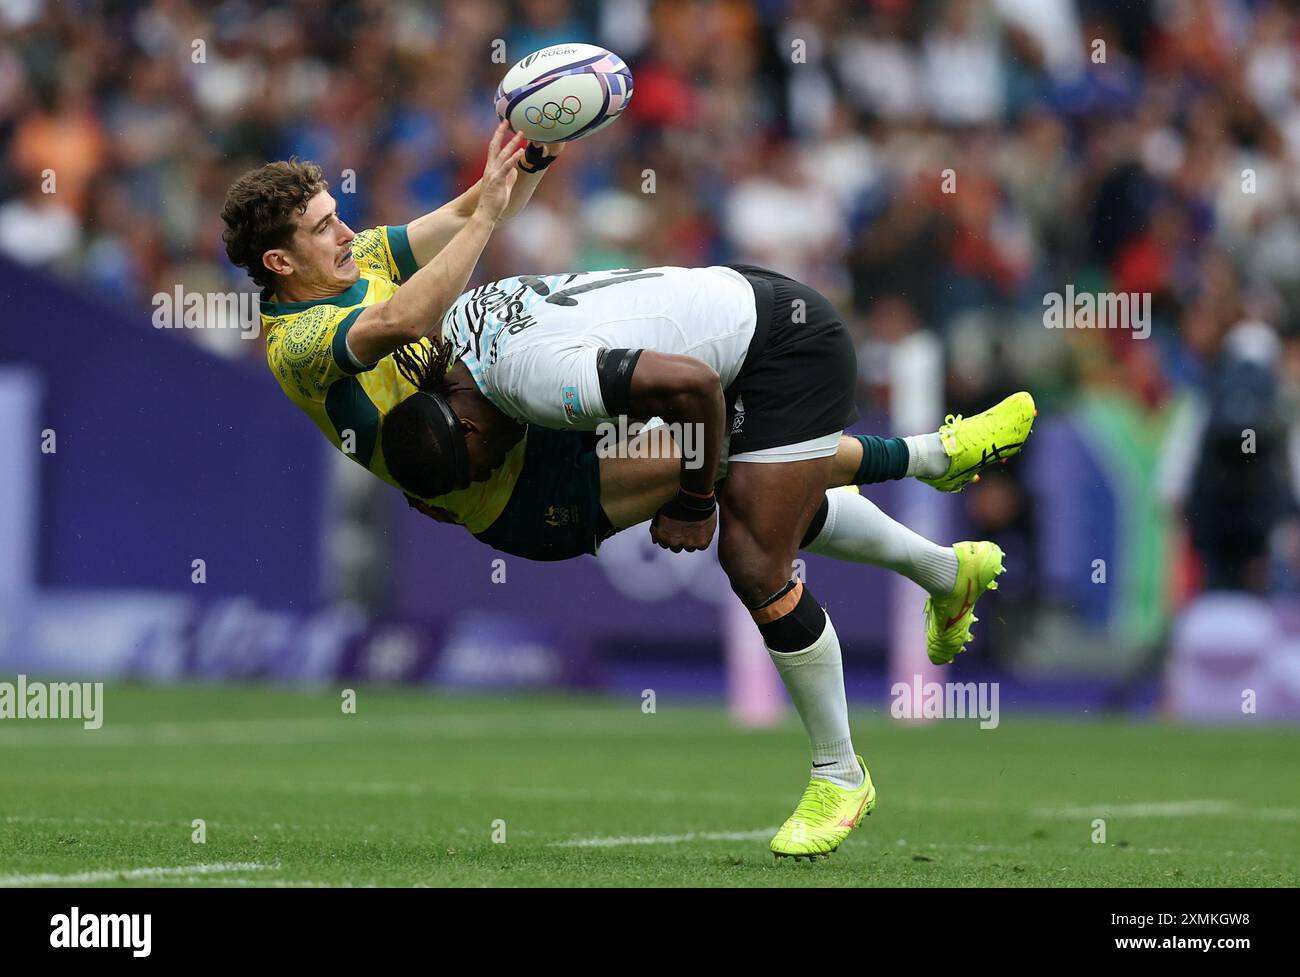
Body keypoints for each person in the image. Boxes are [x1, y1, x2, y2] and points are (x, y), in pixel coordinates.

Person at [379, 263, 1035, 857]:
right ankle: (949, 565)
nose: (487, 472)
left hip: (784, 349)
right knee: (766, 497)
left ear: (468, 429)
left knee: (751, 555)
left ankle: (840, 775)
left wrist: (692, 504)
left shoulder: (542, 384)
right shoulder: (466, 329)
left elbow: (693, 388)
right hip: (738, 304)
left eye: (475, 468)